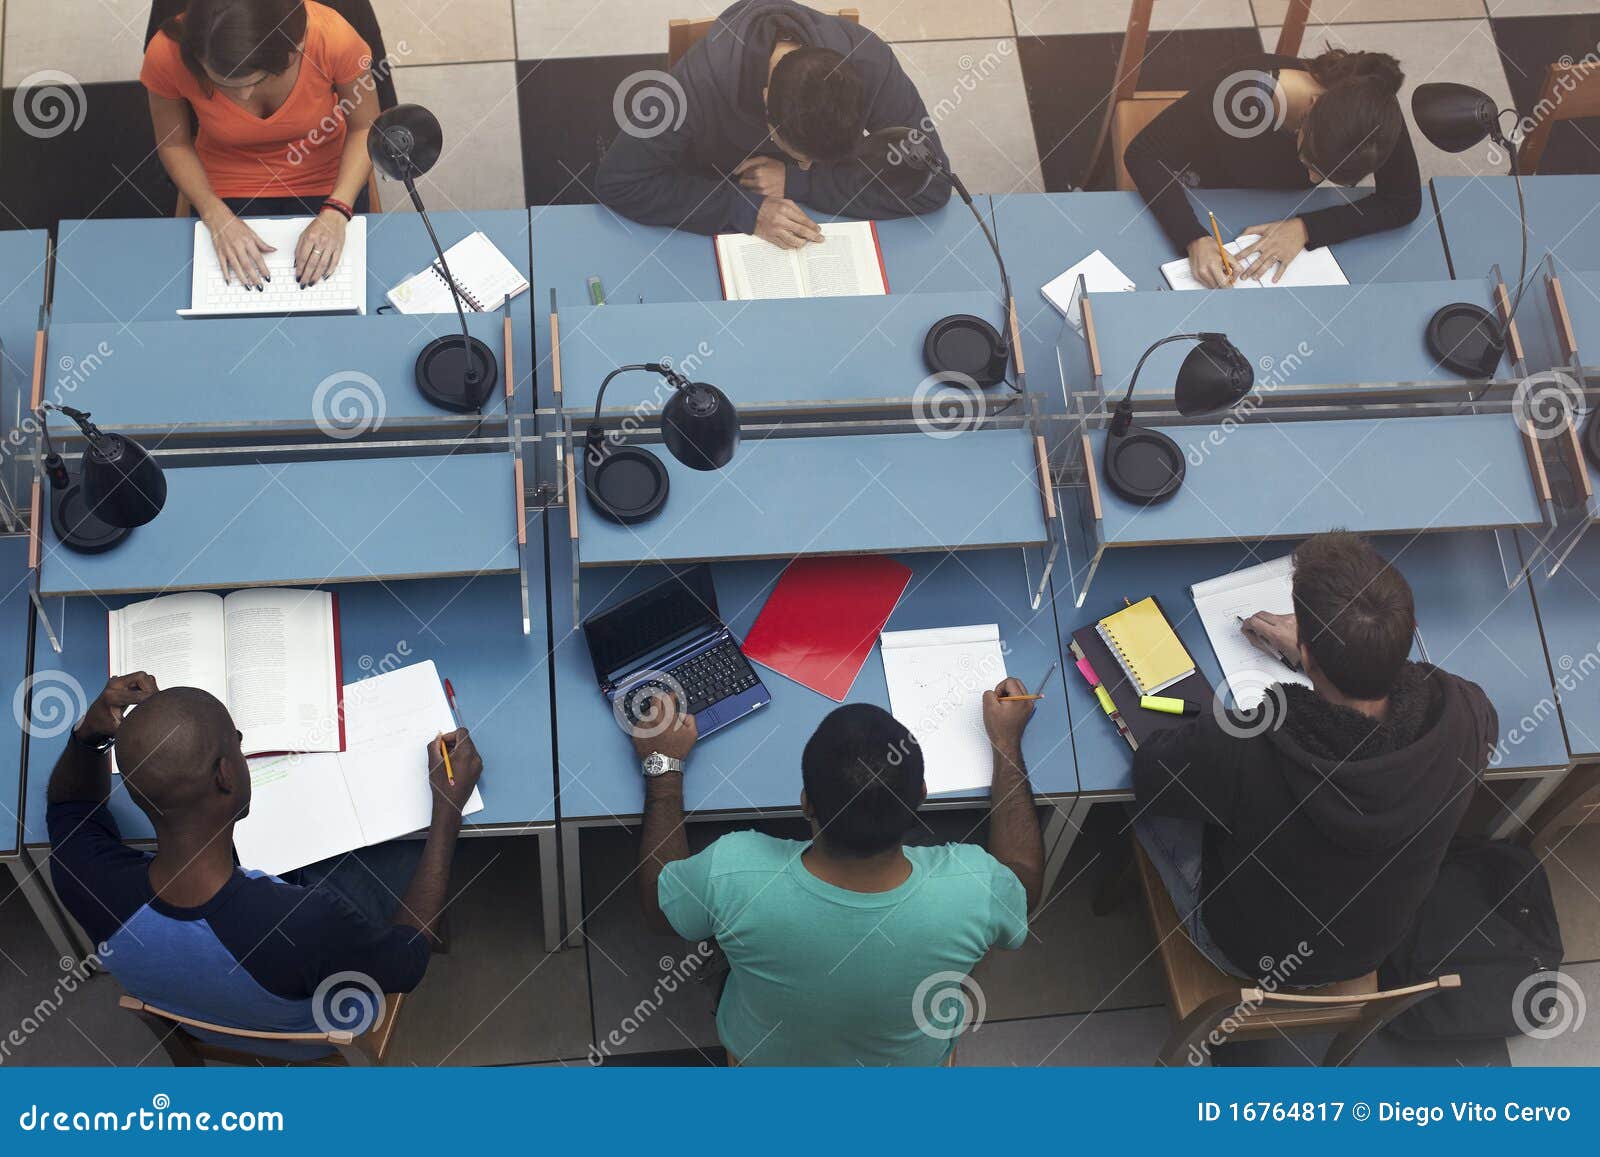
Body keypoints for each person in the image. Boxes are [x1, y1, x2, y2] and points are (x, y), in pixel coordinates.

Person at [46, 675, 484, 1058]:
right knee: (398, 856)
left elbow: (70, 807)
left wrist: (90, 736)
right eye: (237, 743)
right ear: (226, 776)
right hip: (314, 1032)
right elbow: (408, 962)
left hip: (206, 1015)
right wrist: (446, 811)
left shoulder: (86, 880)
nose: (240, 748)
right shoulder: (305, 920)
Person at [1131, 532, 1495, 986]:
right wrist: (1334, 662)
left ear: (1304, 649)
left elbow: (1151, 774)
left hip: (1250, 951)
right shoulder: (1465, 711)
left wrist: (1320, 660)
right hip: (1370, 948)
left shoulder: (1250, 744)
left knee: (1144, 808)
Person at [634, 684, 1043, 1065]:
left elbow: (657, 909)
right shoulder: (973, 888)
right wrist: (1006, 743)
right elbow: (1024, 883)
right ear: (921, 796)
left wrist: (663, 771)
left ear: (805, 803)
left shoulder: (733, 870)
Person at [595, 0, 951, 248]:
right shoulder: (691, 88)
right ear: (765, 99)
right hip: (713, 196)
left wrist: (800, 181)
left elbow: (932, 184)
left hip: (820, 217)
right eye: (799, 155)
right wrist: (743, 210)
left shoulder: (871, 62)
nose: (806, 164)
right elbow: (620, 183)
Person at [1123, 50, 1421, 288]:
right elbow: (1143, 155)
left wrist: (1307, 227)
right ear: (1311, 107)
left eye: (1326, 176)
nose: (1313, 179)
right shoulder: (1238, 96)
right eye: (1312, 163)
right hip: (1198, 194)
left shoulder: (1370, 115)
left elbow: (1402, 202)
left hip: (1269, 210)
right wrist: (1192, 237)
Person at [143, 0, 378, 288]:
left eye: (257, 80)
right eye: (224, 83)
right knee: (229, 305)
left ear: (294, 50)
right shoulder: (167, 52)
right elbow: (174, 145)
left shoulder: (331, 37)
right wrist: (213, 213)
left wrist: (338, 209)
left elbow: (365, 127)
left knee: (338, 300)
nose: (243, 95)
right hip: (222, 190)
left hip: (329, 181)